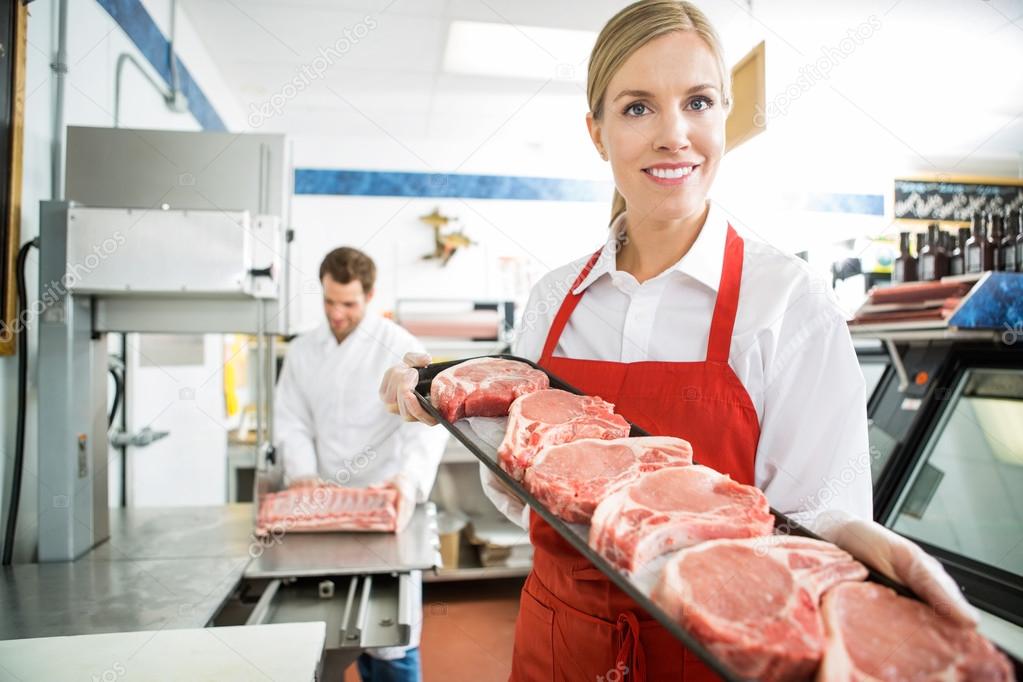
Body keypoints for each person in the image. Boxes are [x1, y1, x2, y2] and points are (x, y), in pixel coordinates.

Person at [380, 2, 978, 680]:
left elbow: (815, 514)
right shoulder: (552, 299)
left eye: (697, 102)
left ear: (723, 115)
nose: (674, 134)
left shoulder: (788, 302)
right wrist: (445, 399)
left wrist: (856, 543)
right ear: (596, 132)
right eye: (637, 107)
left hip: (713, 648)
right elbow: (519, 492)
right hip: (557, 646)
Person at [276, 246, 447, 682]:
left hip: (384, 504)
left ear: (369, 297)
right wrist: (301, 474)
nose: (337, 313)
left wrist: (405, 482)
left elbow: (425, 424)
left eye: (348, 304)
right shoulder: (302, 351)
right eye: (329, 301)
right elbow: (291, 418)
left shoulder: (400, 348)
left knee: (388, 638)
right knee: (319, 636)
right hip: (322, 506)